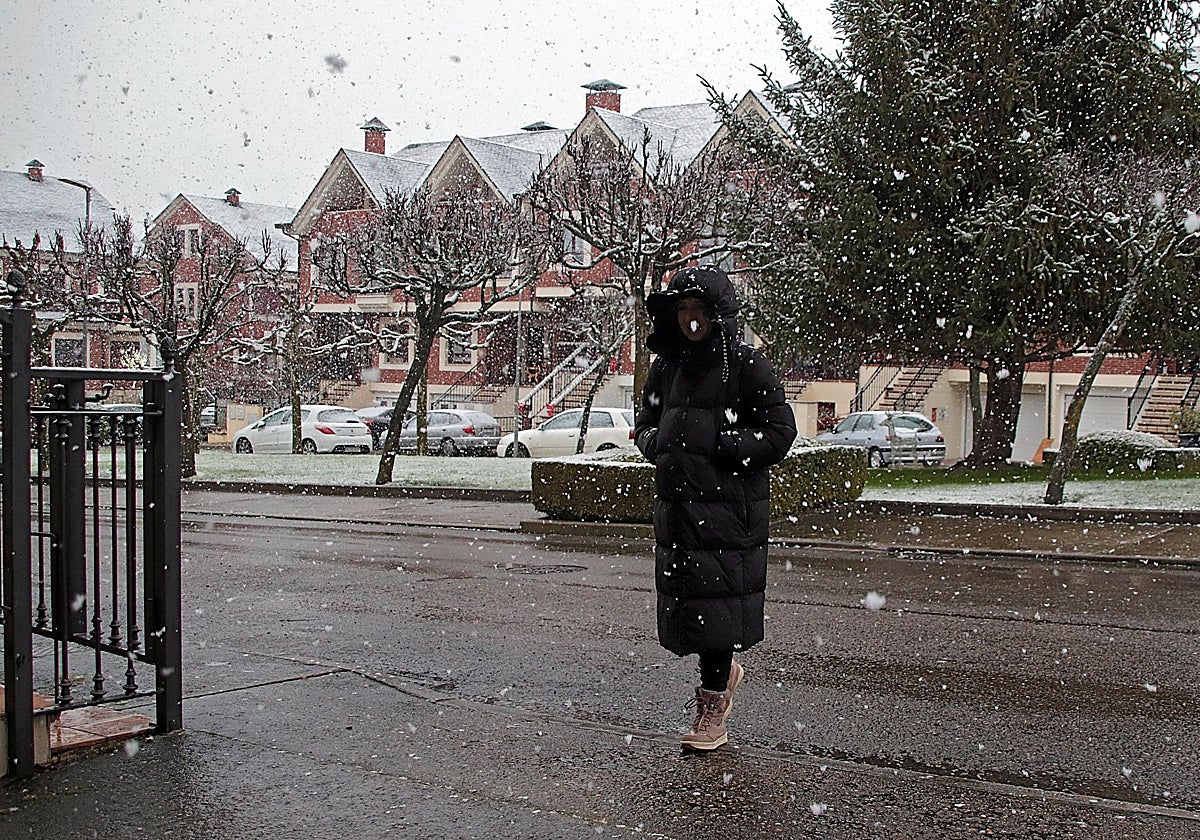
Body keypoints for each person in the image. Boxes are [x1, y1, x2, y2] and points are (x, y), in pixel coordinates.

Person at [635, 265, 797, 751]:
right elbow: (645, 425)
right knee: (691, 610)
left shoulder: (746, 365)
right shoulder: (666, 367)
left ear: (717, 314)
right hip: (680, 514)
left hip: (729, 514)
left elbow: (778, 433)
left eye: (698, 310)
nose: (690, 319)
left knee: (716, 613)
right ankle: (720, 678)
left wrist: (716, 444)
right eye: (682, 309)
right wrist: (658, 444)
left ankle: (712, 707)